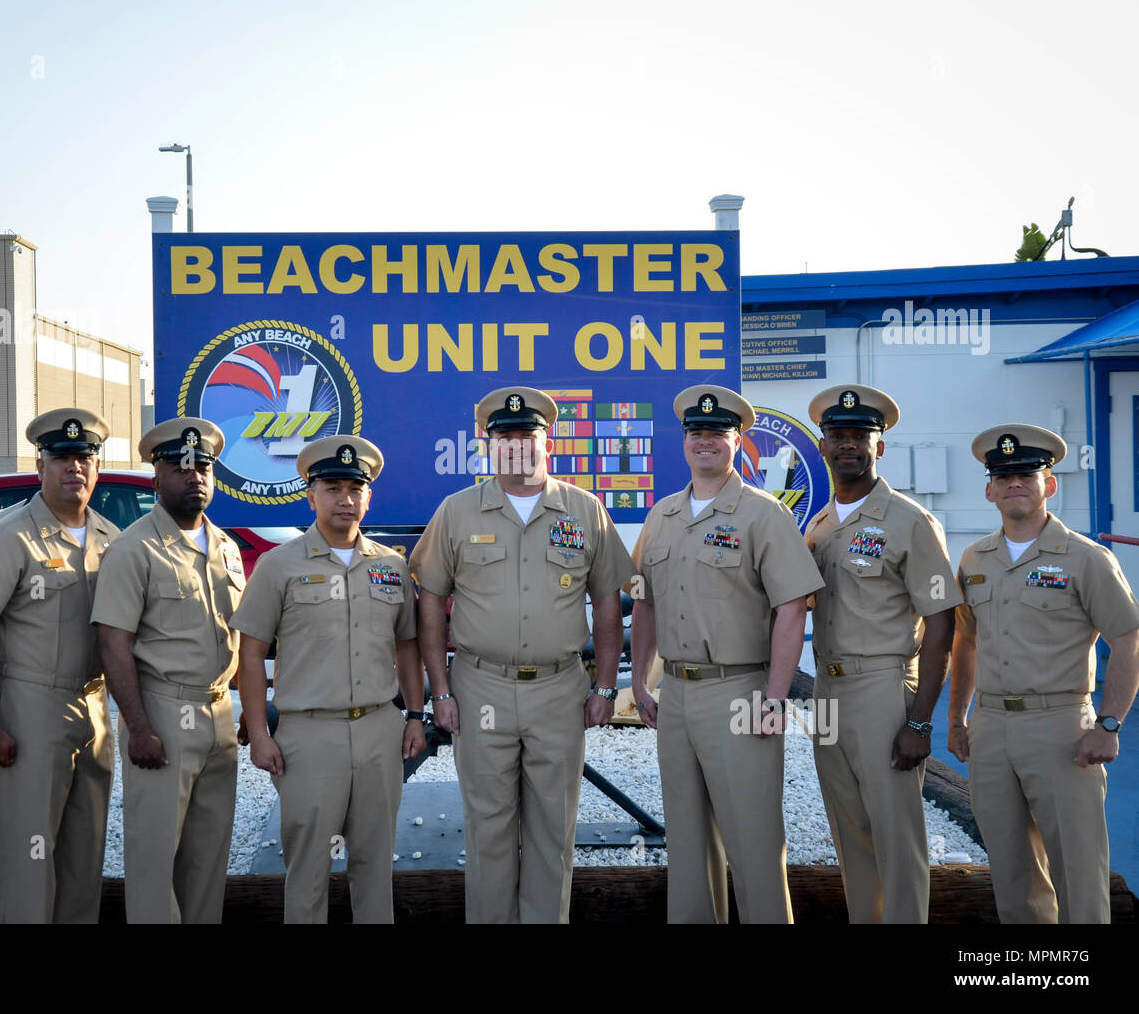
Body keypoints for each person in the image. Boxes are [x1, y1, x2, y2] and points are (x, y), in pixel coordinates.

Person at [410, 386, 632, 923]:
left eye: (525, 435)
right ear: (488, 445)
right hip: (480, 685)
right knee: (488, 828)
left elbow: (607, 602)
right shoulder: (457, 511)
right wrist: (439, 690)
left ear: (545, 441)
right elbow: (430, 603)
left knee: (554, 829)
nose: (515, 445)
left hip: (560, 689)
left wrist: (605, 686)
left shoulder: (584, 509)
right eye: (504, 437)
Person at [629, 385, 823, 924]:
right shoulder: (663, 516)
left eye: (718, 433)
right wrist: (641, 683)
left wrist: (776, 698)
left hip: (741, 691)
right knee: (686, 844)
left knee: (754, 843)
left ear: (738, 441)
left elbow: (792, 608)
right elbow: (644, 603)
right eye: (697, 432)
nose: (705, 441)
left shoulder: (763, 515)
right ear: (684, 441)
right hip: (678, 695)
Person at [949, 424, 1139, 923]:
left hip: (1060, 728)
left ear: (1049, 484)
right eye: (1004, 475)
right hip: (990, 729)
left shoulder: (1086, 559)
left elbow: (1127, 638)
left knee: (1078, 871)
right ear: (989, 489)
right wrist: (956, 717)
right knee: (1011, 873)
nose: (1015, 483)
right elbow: (965, 638)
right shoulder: (974, 559)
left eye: (1027, 474)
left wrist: (1109, 723)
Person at [232, 435, 425, 923]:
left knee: (375, 862)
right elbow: (250, 654)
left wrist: (416, 716)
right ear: (310, 494)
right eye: (333, 487)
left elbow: (407, 646)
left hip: (380, 729)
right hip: (308, 735)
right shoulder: (280, 565)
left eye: (354, 488)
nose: (345, 499)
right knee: (309, 866)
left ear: (369, 496)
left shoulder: (391, 565)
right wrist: (258, 734)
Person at [0, 408, 119, 923]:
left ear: (97, 465)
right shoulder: (11, 536)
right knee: (26, 858)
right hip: (29, 706)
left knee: (83, 861)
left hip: (94, 708)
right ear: (41, 463)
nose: (75, 467)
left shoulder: (110, 538)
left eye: (84, 456)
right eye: (62, 456)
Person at [803, 384, 960, 923]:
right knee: (851, 833)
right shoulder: (819, 526)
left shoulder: (909, 521)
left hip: (882, 687)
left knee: (896, 836)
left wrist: (920, 722)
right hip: (826, 689)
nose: (848, 445)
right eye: (838, 436)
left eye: (860, 436)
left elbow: (943, 623)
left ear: (880, 448)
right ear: (822, 446)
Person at [90, 417, 244, 923]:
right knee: (154, 860)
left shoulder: (226, 546)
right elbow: (114, 641)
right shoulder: (133, 548)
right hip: (162, 712)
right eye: (181, 467)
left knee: (207, 858)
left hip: (220, 712)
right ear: (156, 477)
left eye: (203, 466)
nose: (194, 475)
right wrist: (137, 727)